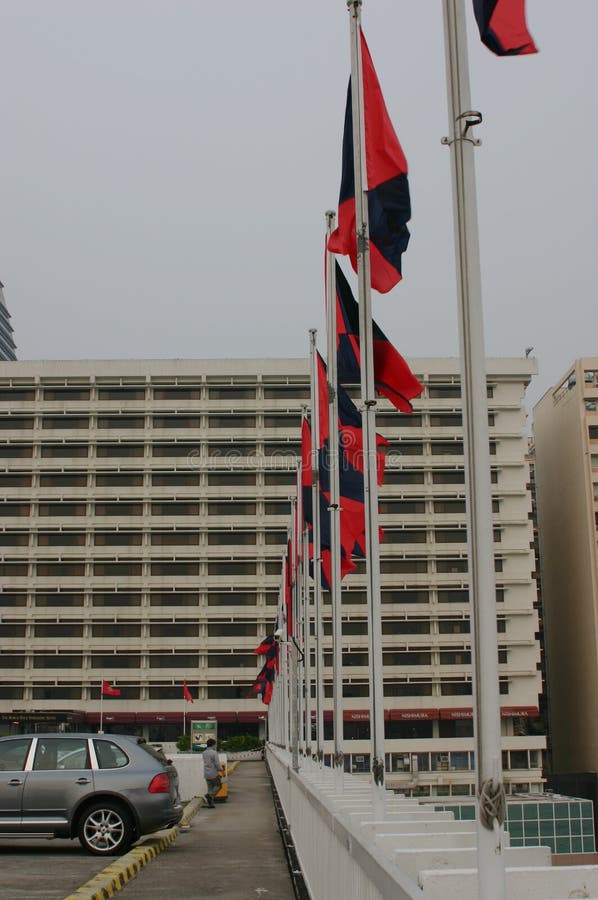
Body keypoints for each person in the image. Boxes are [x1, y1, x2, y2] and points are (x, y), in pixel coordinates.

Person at [202, 738, 221, 808]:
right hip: (213, 773)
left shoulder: (204, 753)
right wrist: (220, 769)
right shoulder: (214, 752)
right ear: (213, 744)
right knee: (218, 786)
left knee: (210, 788)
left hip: (206, 773)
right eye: (215, 744)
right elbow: (217, 763)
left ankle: (211, 804)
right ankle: (209, 795)